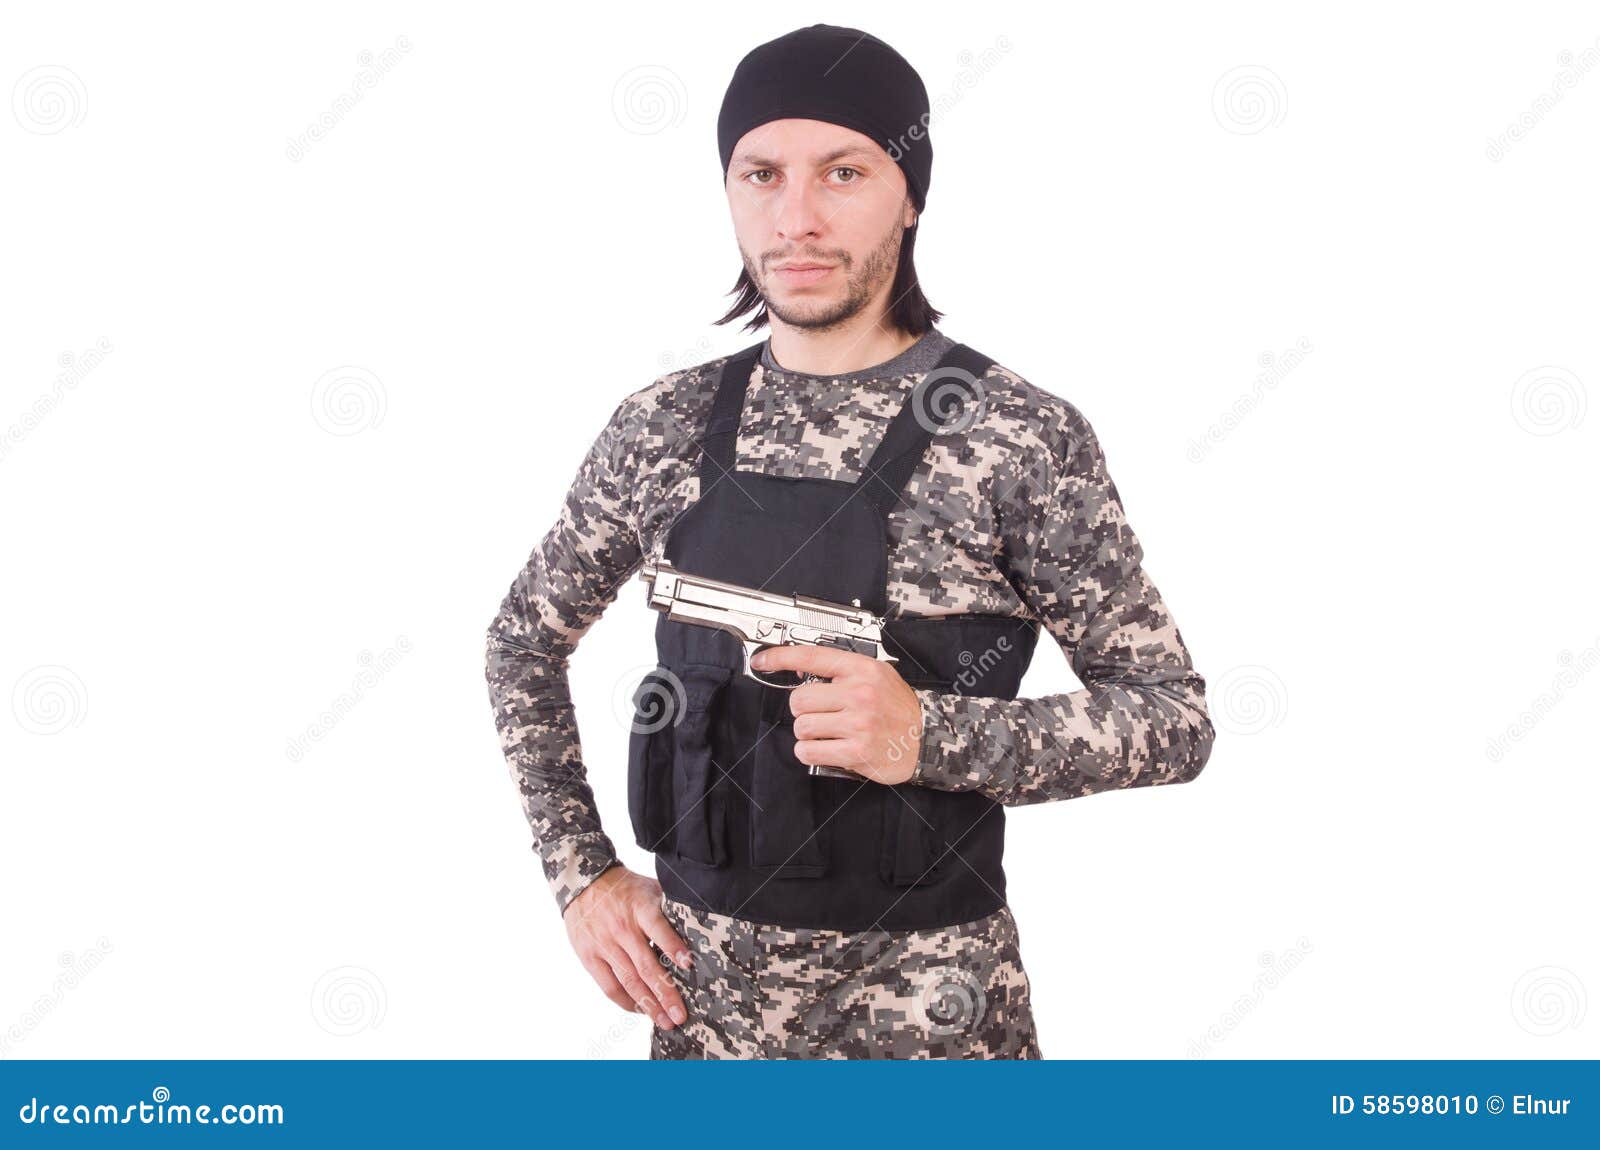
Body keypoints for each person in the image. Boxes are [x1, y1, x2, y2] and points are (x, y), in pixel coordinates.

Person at [484, 23, 1216, 1059]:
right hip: (701, 1031)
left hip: (938, 1032)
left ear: (909, 192)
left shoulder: (1016, 434)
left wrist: (930, 735)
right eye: (761, 173)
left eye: (842, 172)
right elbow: (521, 639)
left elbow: (1172, 720)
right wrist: (580, 875)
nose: (796, 217)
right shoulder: (662, 426)